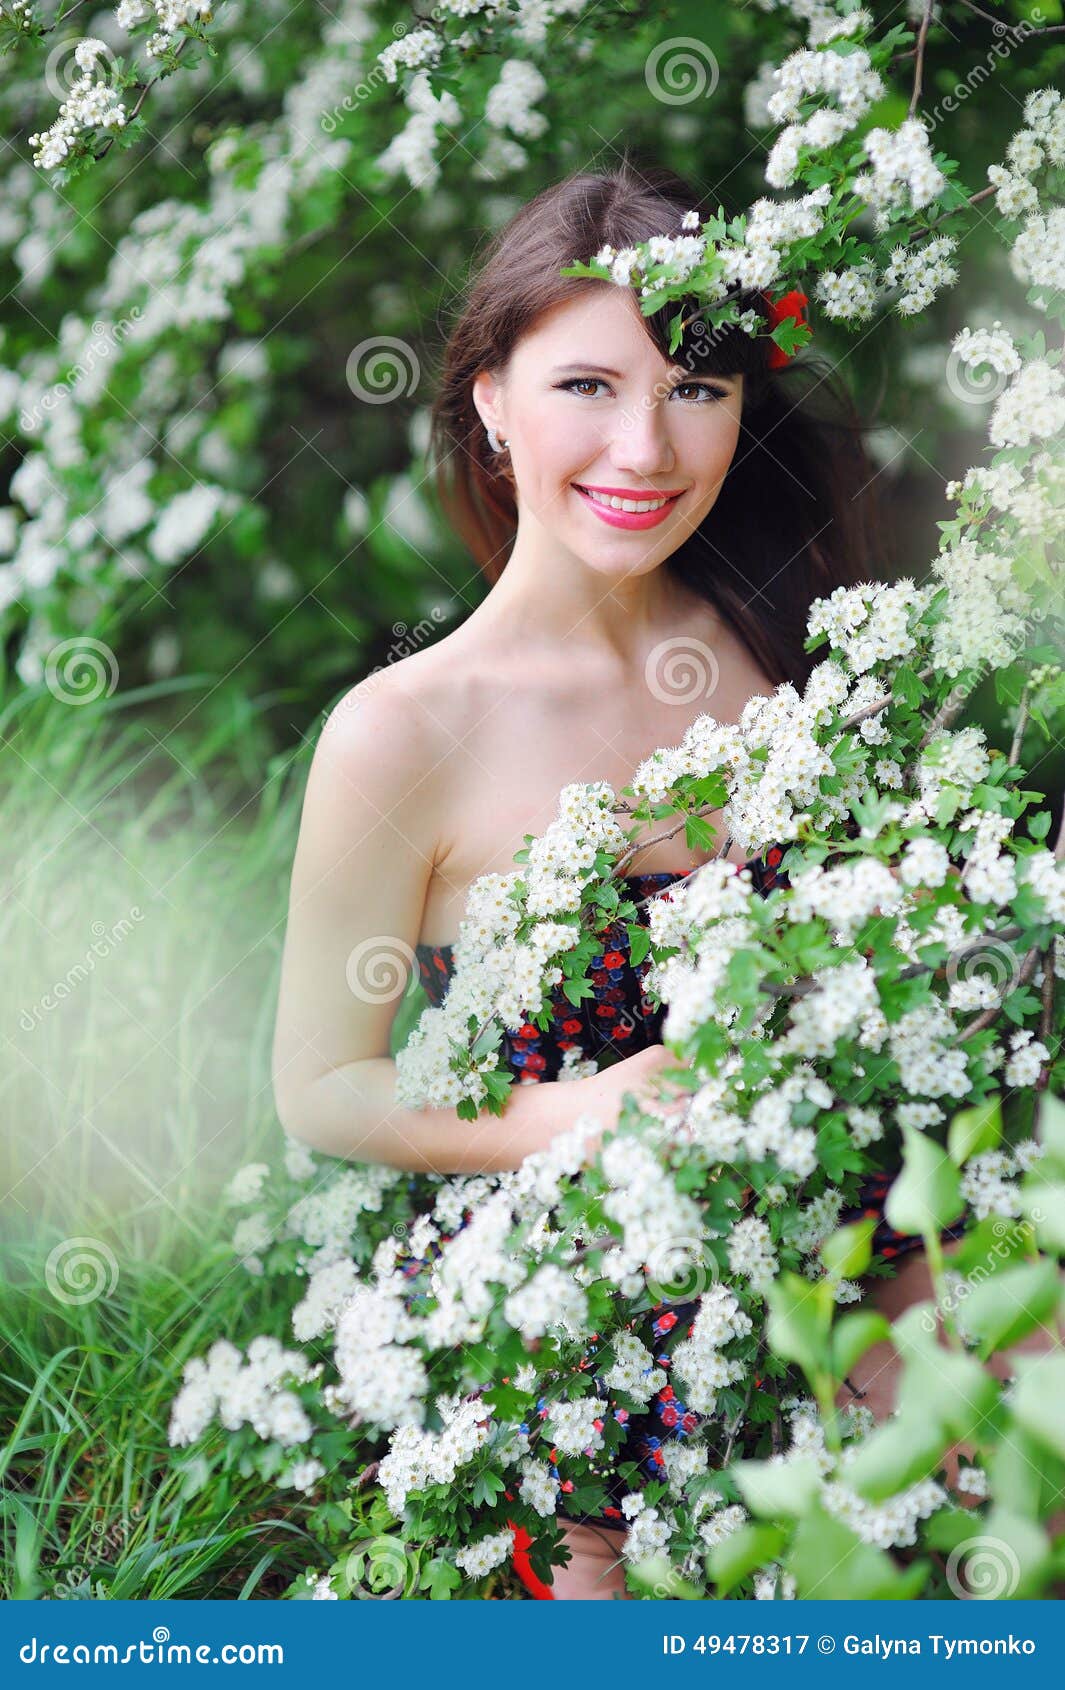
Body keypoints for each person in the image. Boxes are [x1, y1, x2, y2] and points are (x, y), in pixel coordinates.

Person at [272, 158, 908, 1599]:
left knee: (1022, 1327)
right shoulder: (403, 732)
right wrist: (581, 1112)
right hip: (580, 1290)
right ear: (490, 396)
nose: (644, 446)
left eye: (695, 389)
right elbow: (324, 1083)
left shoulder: (797, 634)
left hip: (857, 1202)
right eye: (585, 387)